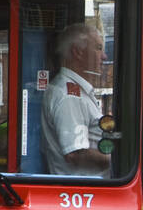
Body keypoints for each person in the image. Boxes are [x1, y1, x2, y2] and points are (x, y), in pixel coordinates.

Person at [40, 23, 109, 177]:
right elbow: (76, 154)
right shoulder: (69, 95)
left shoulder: (75, 91)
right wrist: (119, 159)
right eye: (98, 48)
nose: (104, 56)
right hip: (83, 192)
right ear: (77, 52)